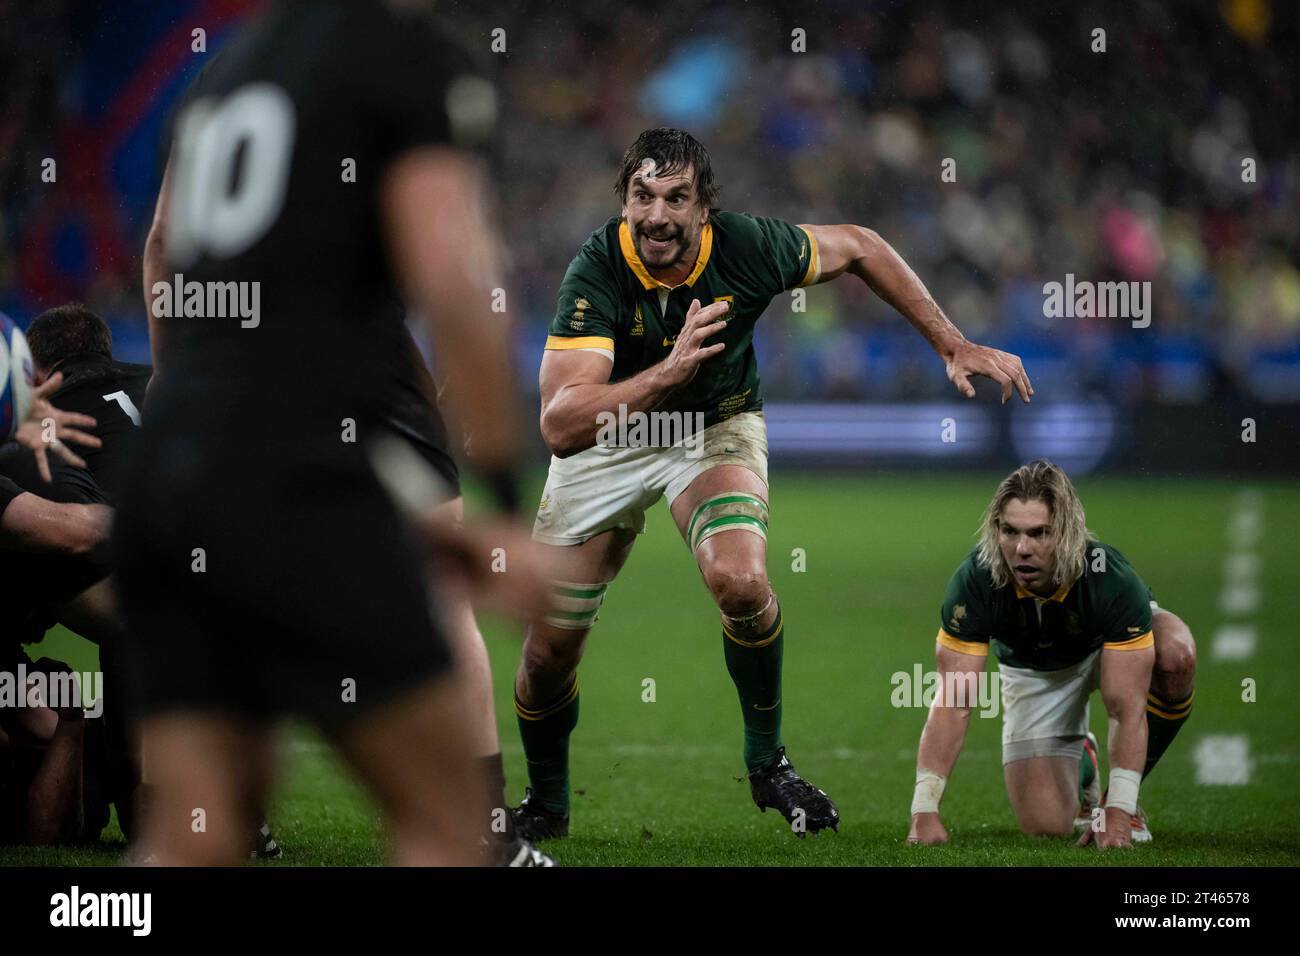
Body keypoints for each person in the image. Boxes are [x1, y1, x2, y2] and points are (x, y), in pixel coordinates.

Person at [513, 126, 1032, 840]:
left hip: (713, 430)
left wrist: (953, 342)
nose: (657, 215)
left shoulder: (750, 246)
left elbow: (862, 246)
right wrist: (669, 371)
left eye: (676, 198)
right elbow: (561, 425)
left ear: (705, 209)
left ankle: (769, 765)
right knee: (548, 652)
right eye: (642, 196)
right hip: (611, 438)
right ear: (623, 200)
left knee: (743, 583)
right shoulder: (598, 268)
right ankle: (546, 803)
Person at [116, 0, 542, 866]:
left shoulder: (224, 71)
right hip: (302, 454)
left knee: (193, 835)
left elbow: (161, 244)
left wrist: (185, 401)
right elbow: (456, 283)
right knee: (447, 827)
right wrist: (501, 495)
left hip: (168, 463)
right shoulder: (405, 56)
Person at [907, 460, 1196, 849]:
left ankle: (1115, 799)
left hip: (1111, 647)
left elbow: (1126, 709)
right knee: (1046, 824)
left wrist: (1119, 810)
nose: (1022, 549)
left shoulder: (1109, 577)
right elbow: (953, 702)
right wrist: (924, 810)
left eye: (1039, 533)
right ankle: (1084, 762)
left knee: (1175, 654)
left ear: (1068, 532)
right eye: (1010, 531)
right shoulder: (977, 580)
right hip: (1036, 670)